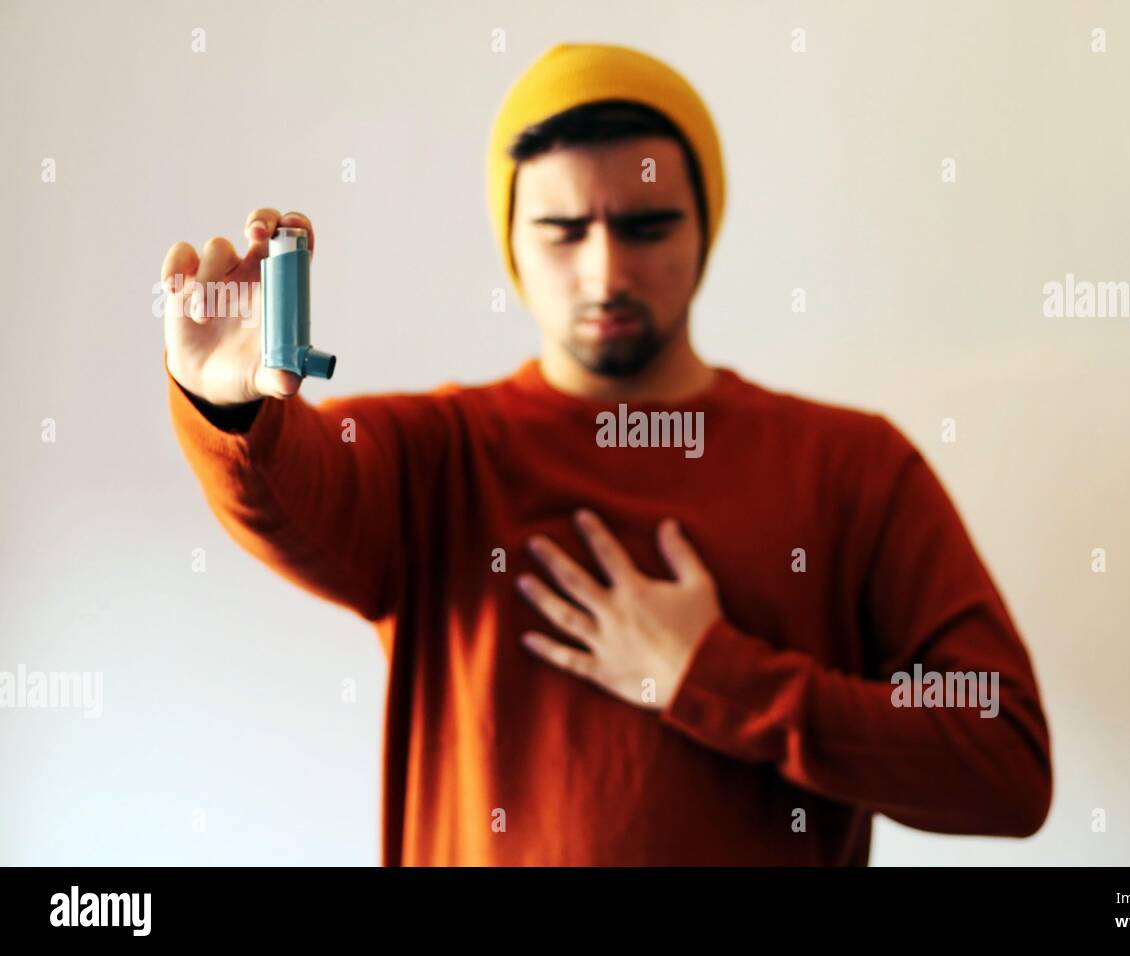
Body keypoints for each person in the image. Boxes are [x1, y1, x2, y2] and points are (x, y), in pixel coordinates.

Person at [159, 42, 1051, 866]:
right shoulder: (434, 456)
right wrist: (225, 400)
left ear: (707, 226)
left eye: (648, 225)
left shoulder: (854, 467)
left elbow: (1003, 761)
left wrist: (711, 675)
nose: (606, 272)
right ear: (511, 238)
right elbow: (286, 487)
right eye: (564, 231)